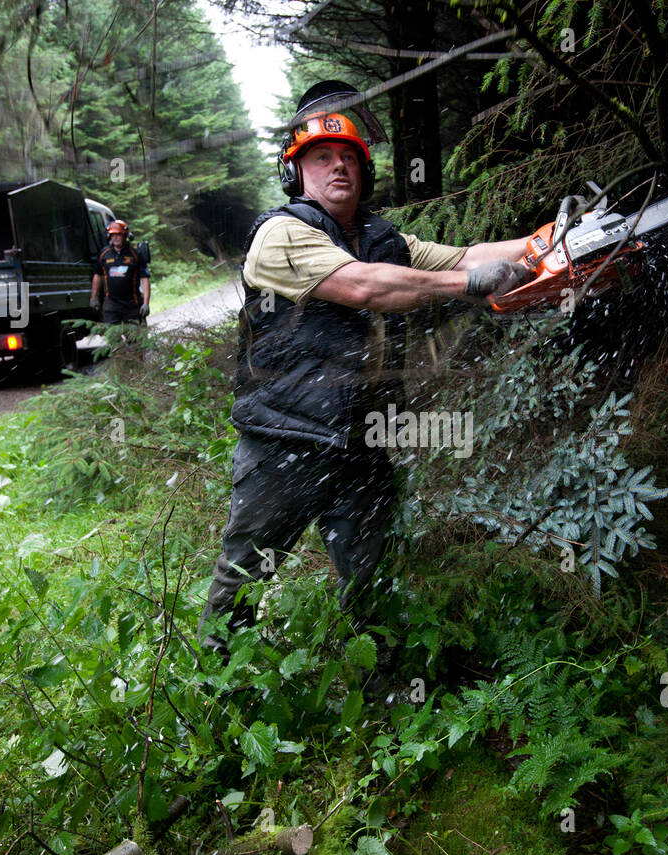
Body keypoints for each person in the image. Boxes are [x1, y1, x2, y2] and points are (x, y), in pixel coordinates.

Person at [198, 85, 534, 686]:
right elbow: (366, 287)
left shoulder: (383, 238)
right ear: (295, 170)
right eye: (321, 156)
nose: (337, 166)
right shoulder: (280, 234)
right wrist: (475, 286)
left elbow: (465, 254)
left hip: (361, 441)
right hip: (285, 440)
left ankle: (388, 697)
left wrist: (545, 242)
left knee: (371, 577)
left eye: (348, 156)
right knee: (244, 576)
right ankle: (219, 699)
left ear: (364, 168)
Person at [90, 220, 150, 324]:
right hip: (111, 305)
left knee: (135, 338)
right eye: (113, 235)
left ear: (125, 236)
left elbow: (144, 279)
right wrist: (93, 298)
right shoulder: (104, 254)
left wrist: (146, 303)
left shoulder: (135, 254)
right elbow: (97, 276)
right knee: (113, 338)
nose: (115, 238)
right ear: (109, 236)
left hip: (132, 305)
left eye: (118, 235)